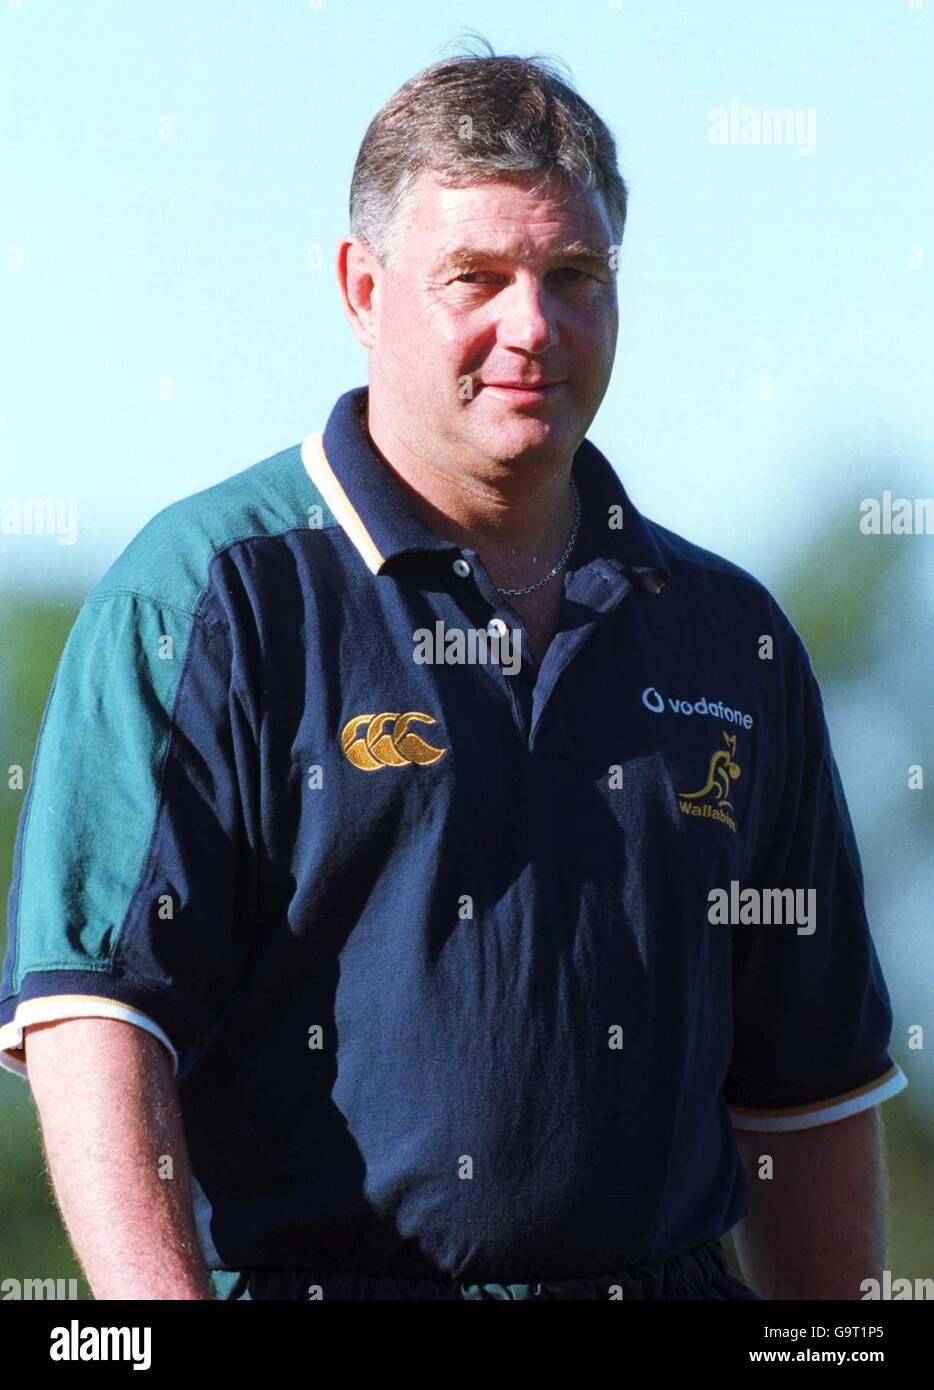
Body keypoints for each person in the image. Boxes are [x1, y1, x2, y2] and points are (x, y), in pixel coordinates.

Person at [0, 46, 908, 1302]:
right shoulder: (207, 594)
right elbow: (96, 1021)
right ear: (361, 287)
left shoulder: (728, 634)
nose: (531, 326)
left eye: (573, 276)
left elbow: (808, 1085)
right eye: (473, 277)